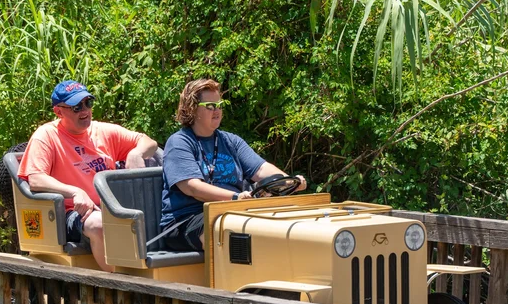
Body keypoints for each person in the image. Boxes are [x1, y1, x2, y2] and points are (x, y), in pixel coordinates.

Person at [18, 80, 158, 271]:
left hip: (112, 206)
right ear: (58, 112)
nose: (84, 110)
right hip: (69, 213)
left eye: (88, 103)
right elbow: (35, 178)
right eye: (76, 107)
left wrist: (136, 153)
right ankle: (119, 286)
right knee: (100, 224)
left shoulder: (103, 131)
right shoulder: (46, 136)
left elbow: (149, 142)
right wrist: (75, 191)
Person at [159, 78, 305, 252]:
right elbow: (193, 188)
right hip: (186, 220)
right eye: (210, 106)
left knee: (280, 222)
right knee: (234, 229)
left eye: (220, 105)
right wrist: (235, 198)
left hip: (232, 211)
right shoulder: (179, 142)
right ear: (192, 109)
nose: (217, 111)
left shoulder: (230, 141)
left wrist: (289, 181)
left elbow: (261, 169)